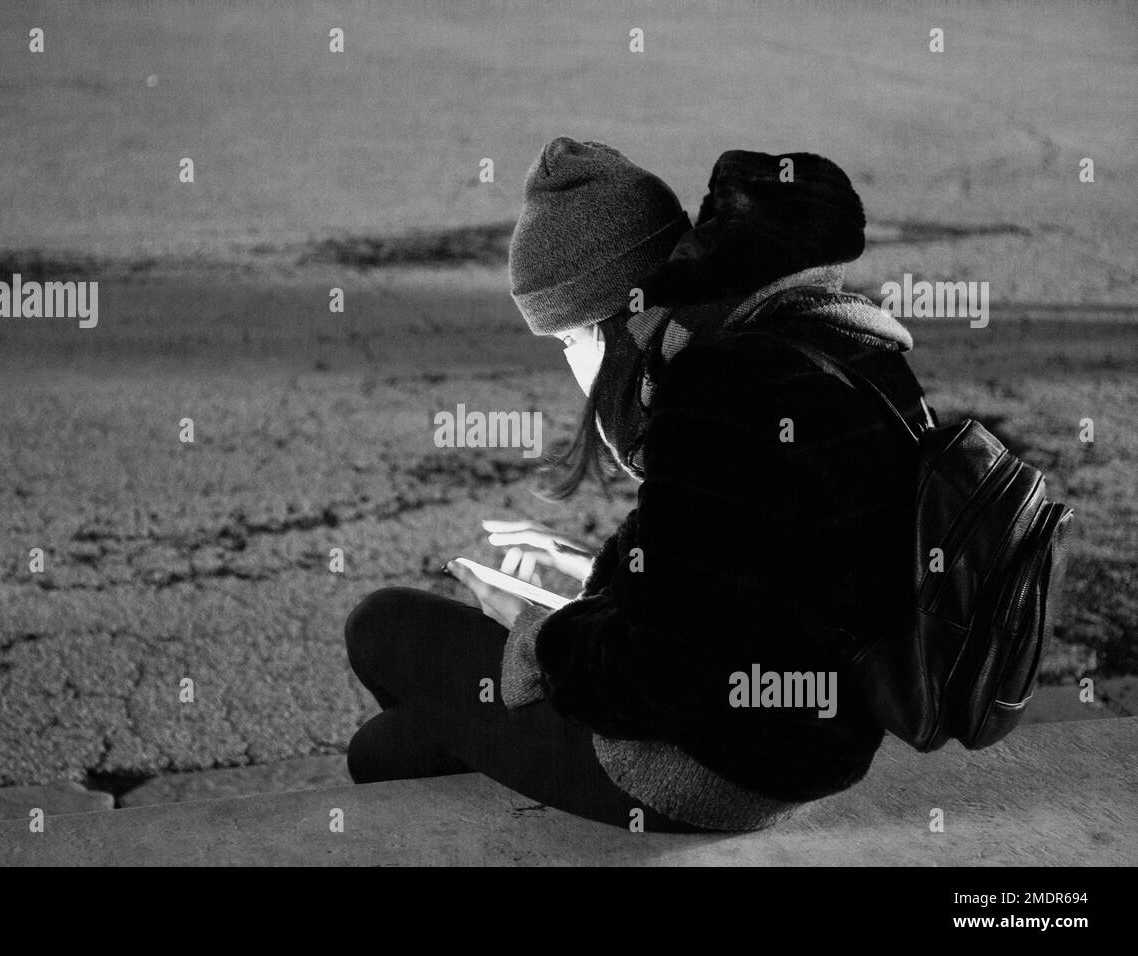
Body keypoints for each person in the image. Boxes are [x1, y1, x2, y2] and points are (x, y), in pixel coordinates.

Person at [345, 137, 929, 832]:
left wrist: (539, 629)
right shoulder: (824, 340)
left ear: (612, 318)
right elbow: (744, 573)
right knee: (394, 746)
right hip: (814, 744)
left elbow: (650, 677)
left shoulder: (715, 393)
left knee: (382, 628)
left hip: (713, 772)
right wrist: (602, 578)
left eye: (567, 341)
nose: (571, 368)